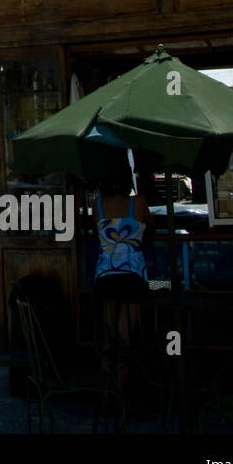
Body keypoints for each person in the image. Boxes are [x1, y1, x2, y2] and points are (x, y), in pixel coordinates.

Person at [94, 157, 151, 392]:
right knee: (125, 337)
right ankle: (121, 390)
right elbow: (151, 229)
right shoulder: (137, 203)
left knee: (109, 338)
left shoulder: (97, 206)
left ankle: (108, 393)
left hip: (105, 275)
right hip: (133, 275)